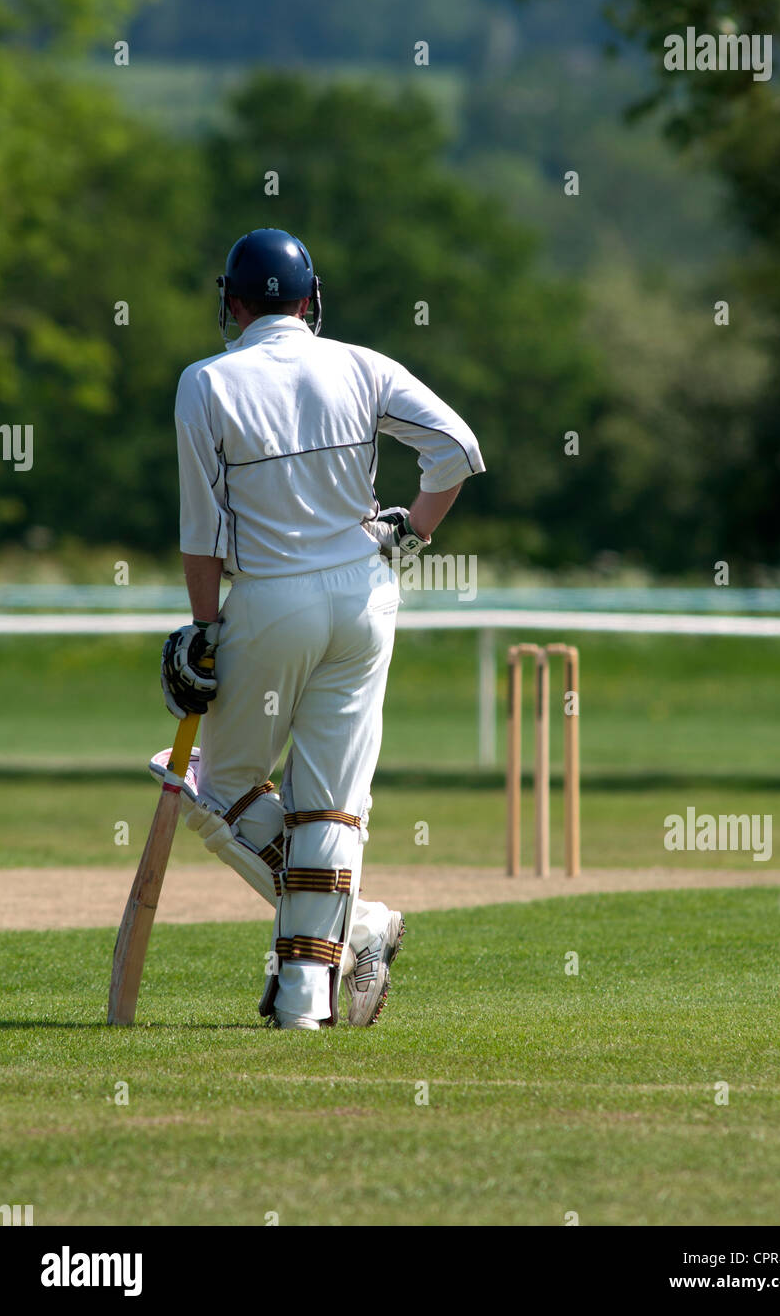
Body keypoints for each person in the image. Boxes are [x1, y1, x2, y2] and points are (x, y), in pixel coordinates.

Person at [160, 227, 484, 1030]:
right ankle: (309, 995)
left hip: (269, 599)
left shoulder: (206, 382)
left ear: (230, 305)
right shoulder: (362, 364)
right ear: (312, 301)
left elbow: (201, 533)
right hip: (365, 596)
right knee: (333, 807)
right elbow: (457, 448)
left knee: (219, 787)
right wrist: (411, 531)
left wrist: (203, 633)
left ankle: (354, 929)